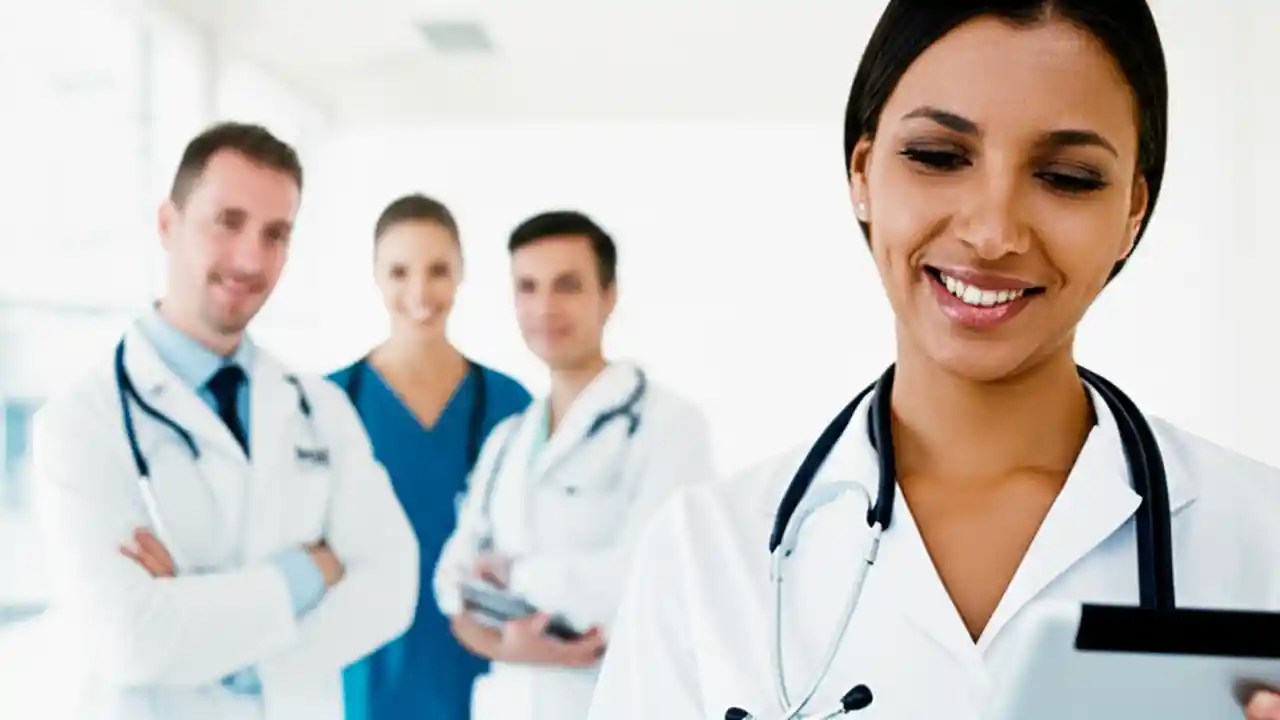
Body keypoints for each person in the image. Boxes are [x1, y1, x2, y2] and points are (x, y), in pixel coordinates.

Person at [586, 2, 1280, 719]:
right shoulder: (707, 557)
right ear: (863, 174)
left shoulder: (1264, 538)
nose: (992, 232)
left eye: (1068, 176)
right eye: (939, 157)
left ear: (1133, 212)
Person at [31, 122, 420, 720]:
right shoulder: (80, 424)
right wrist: (307, 572)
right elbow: (131, 640)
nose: (250, 258)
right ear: (168, 223)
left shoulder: (319, 408)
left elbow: (392, 586)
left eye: (276, 234)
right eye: (228, 222)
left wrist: (230, 646)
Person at [432, 210, 716, 719]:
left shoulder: (669, 426)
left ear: (608, 296)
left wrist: (513, 574)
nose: (544, 307)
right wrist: (509, 645)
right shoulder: (506, 441)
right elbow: (451, 586)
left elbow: (645, 579)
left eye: (567, 285)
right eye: (527, 287)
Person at [329, 194, 533, 720]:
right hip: (363, 669)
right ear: (375, 275)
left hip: (479, 667)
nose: (419, 292)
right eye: (399, 271)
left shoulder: (509, 406)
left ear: (462, 272)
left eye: (438, 270)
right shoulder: (330, 403)